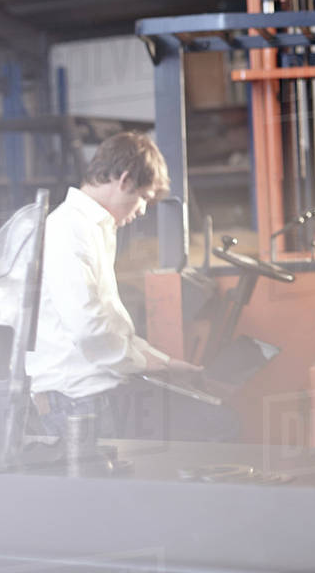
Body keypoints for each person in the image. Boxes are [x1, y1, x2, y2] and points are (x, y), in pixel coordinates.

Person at [28, 131, 237, 441]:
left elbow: (110, 324)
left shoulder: (94, 229)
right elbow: (89, 329)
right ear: (124, 180)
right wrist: (146, 363)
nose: (142, 210)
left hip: (97, 394)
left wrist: (166, 364)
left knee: (219, 424)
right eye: (144, 197)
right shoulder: (68, 231)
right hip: (77, 402)